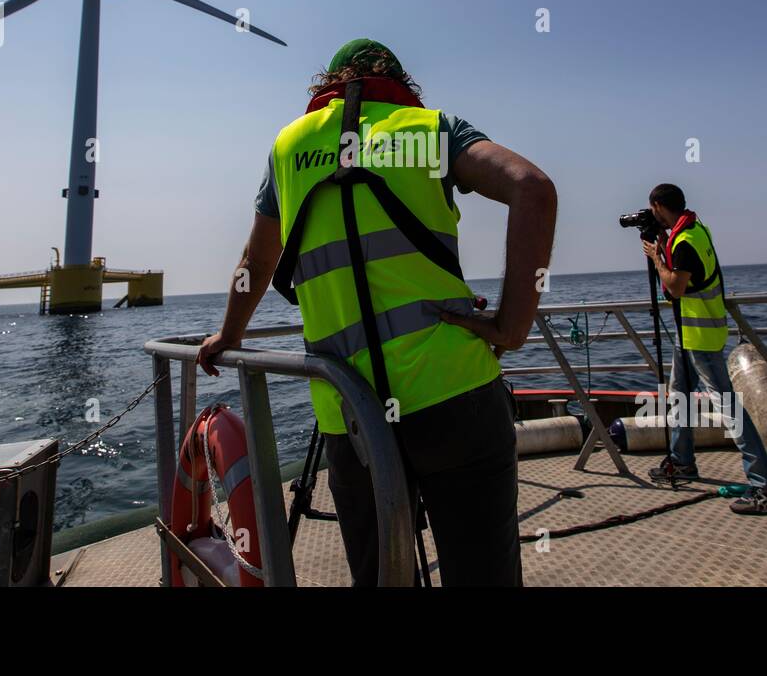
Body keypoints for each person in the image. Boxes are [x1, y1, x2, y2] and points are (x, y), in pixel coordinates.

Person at [196, 38, 557, 584]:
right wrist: (512, 324)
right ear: (399, 80)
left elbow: (258, 259)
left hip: (351, 415)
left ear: (329, 80)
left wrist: (229, 335)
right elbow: (533, 188)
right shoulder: (431, 129)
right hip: (455, 400)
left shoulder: (288, 148)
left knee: (379, 576)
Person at [640, 183, 767, 514]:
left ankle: (766, 487)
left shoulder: (685, 242)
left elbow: (676, 287)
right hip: (691, 333)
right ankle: (681, 461)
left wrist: (656, 259)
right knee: (679, 394)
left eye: (652, 211)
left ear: (659, 206)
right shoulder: (694, 230)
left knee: (728, 407)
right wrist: (664, 248)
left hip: (700, 338)